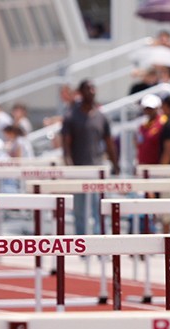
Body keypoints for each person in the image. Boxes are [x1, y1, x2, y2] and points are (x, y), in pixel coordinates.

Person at [61, 80, 120, 236]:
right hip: (79, 170)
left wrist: (116, 164)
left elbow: (109, 142)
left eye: (93, 88)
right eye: (88, 88)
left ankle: (101, 244)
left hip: (97, 169)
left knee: (99, 208)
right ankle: (81, 244)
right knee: (79, 210)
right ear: (81, 92)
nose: (91, 91)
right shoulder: (71, 116)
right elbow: (66, 146)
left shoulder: (101, 116)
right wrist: (70, 169)